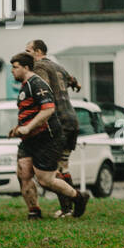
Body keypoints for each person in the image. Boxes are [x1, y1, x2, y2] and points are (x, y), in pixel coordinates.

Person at [9, 52, 88, 220]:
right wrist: (19, 128)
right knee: (23, 172)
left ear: (26, 67)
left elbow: (48, 109)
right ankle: (34, 211)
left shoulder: (38, 83)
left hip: (48, 138)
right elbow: (30, 111)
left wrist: (28, 127)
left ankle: (78, 198)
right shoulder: (25, 85)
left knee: (45, 180)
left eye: (15, 67)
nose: (12, 71)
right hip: (29, 139)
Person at [27, 39, 82, 216]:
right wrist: (76, 86)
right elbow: (74, 81)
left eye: (28, 51)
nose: (26, 54)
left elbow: (42, 90)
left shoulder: (39, 68)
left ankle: (68, 208)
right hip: (71, 119)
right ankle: (72, 206)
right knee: (63, 165)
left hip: (58, 122)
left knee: (56, 168)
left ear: (37, 52)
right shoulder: (58, 67)